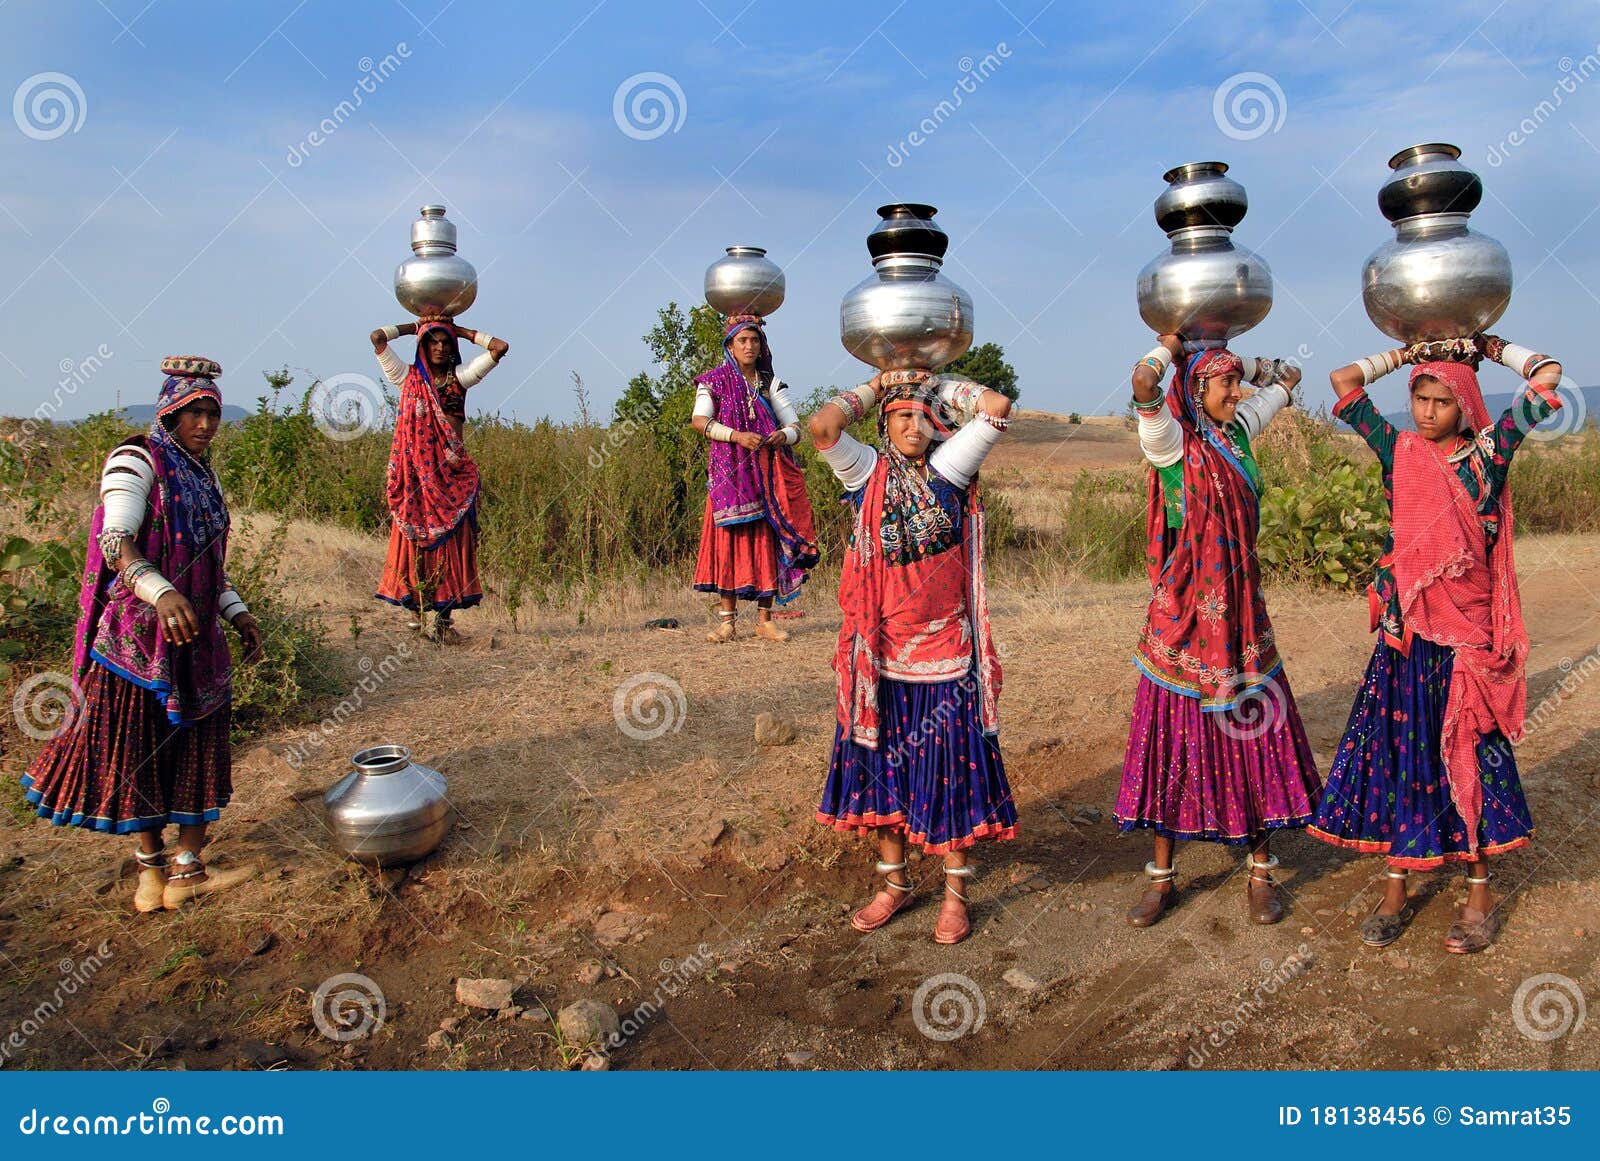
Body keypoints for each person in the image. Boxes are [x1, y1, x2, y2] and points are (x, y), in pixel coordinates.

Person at [1309, 335, 1563, 953]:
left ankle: (1479, 888)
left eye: (1442, 401)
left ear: (1466, 404)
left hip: (1465, 640)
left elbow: (1548, 379)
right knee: (1403, 755)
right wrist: (1409, 352)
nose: (1427, 412)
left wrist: (1488, 345)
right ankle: (1397, 883)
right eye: (1419, 398)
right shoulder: (1400, 453)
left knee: (1472, 753)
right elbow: (1345, 380)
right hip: (1408, 638)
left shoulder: (1487, 457)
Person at [21, 357, 263, 910]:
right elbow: (117, 542)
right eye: (191, 412)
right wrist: (161, 593)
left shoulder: (203, 476)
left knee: (198, 747)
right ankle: (150, 873)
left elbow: (208, 566)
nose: (204, 423)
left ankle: (187, 870)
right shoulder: (136, 459)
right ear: (168, 412)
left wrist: (239, 613)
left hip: (196, 638)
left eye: (211, 412)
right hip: (137, 642)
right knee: (135, 752)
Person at [1116, 335, 1322, 928]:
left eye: (1237, 383)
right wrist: (1169, 349)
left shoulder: (1240, 431)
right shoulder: (1170, 441)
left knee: (1250, 731)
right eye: (1225, 384)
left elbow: (1291, 373)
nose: (1239, 391)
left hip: (1239, 616)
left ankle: (1261, 871)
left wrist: (1237, 359)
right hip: (1183, 615)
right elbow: (1142, 386)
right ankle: (1162, 878)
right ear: (1196, 391)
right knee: (1172, 736)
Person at [810, 369, 1014, 945]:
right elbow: (822, 427)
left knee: (948, 770)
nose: (913, 425)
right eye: (901, 415)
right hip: (879, 657)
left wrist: (939, 382)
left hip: (946, 652)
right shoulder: (867, 473)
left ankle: (955, 895)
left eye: (922, 416)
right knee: (884, 772)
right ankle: (894, 884)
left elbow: (996, 408)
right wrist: (881, 384)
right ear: (883, 422)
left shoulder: (950, 469)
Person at [370, 319, 508, 642]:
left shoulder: (458, 380)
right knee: (415, 541)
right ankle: (416, 616)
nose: (440, 347)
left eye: (446, 342)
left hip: (450, 479)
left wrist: (459, 330)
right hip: (416, 478)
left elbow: (499, 347)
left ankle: (444, 623)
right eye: (432, 341)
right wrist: (416, 326)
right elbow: (377, 338)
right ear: (422, 345)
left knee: (450, 544)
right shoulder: (408, 378)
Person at [691, 314, 819, 642]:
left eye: (755, 340)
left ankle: (765, 619)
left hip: (765, 474)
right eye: (742, 341)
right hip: (728, 476)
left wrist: (783, 436)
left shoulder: (770, 384)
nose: (749, 346)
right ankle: (727, 622)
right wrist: (737, 437)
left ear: (761, 345)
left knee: (766, 539)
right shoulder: (714, 381)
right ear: (730, 347)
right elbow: (700, 421)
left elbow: (795, 428)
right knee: (729, 541)